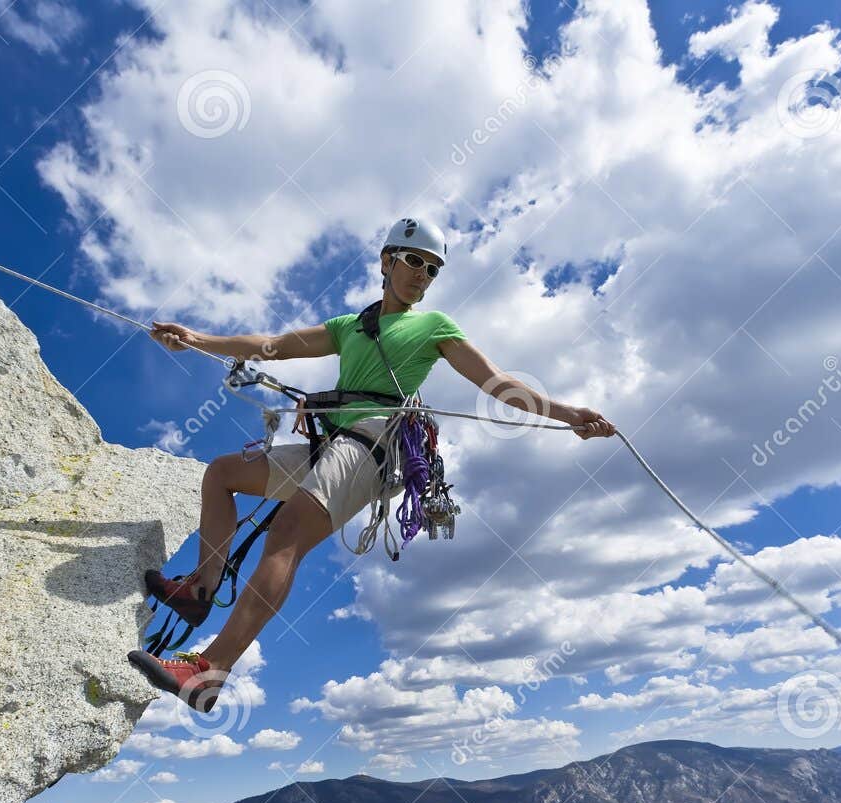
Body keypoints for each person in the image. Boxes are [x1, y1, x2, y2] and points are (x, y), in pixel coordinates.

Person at [127, 217, 616, 712]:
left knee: (288, 533)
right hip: (331, 445)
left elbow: (496, 382)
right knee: (223, 473)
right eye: (415, 261)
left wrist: (567, 414)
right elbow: (273, 346)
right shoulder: (351, 326)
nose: (423, 274)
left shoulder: (434, 326)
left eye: (432, 269)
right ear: (387, 261)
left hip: (372, 444)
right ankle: (200, 590)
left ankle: (210, 670)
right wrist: (196, 339)